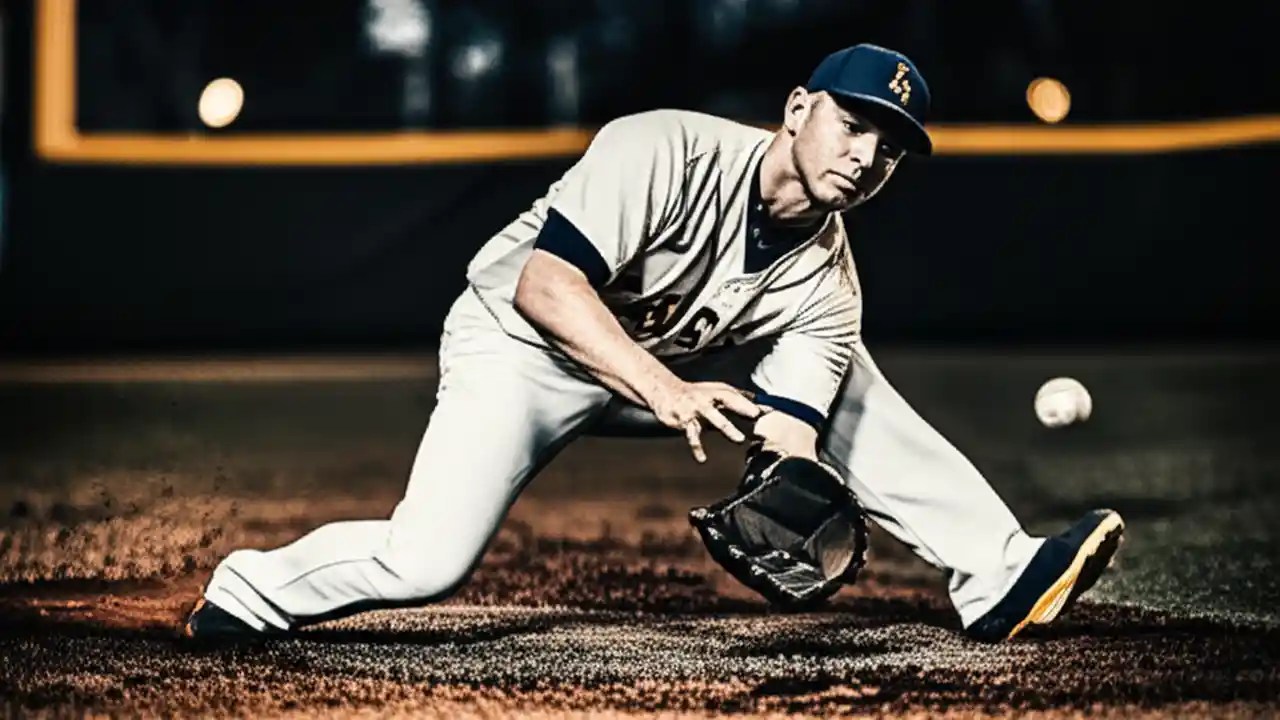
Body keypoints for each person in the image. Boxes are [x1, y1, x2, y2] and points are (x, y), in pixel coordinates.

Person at [184, 44, 1123, 644]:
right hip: (522, 347)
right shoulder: (664, 148)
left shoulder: (829, 287)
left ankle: (998, 572)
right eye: (852, 123)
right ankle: (253, 590)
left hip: (675, 359)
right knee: (425, 559)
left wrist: (787, 494)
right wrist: (665, 390)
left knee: (854, 386)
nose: (864, 156)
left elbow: (796, 429)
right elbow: (545, 285)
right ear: (798, 109)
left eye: (889, 147)